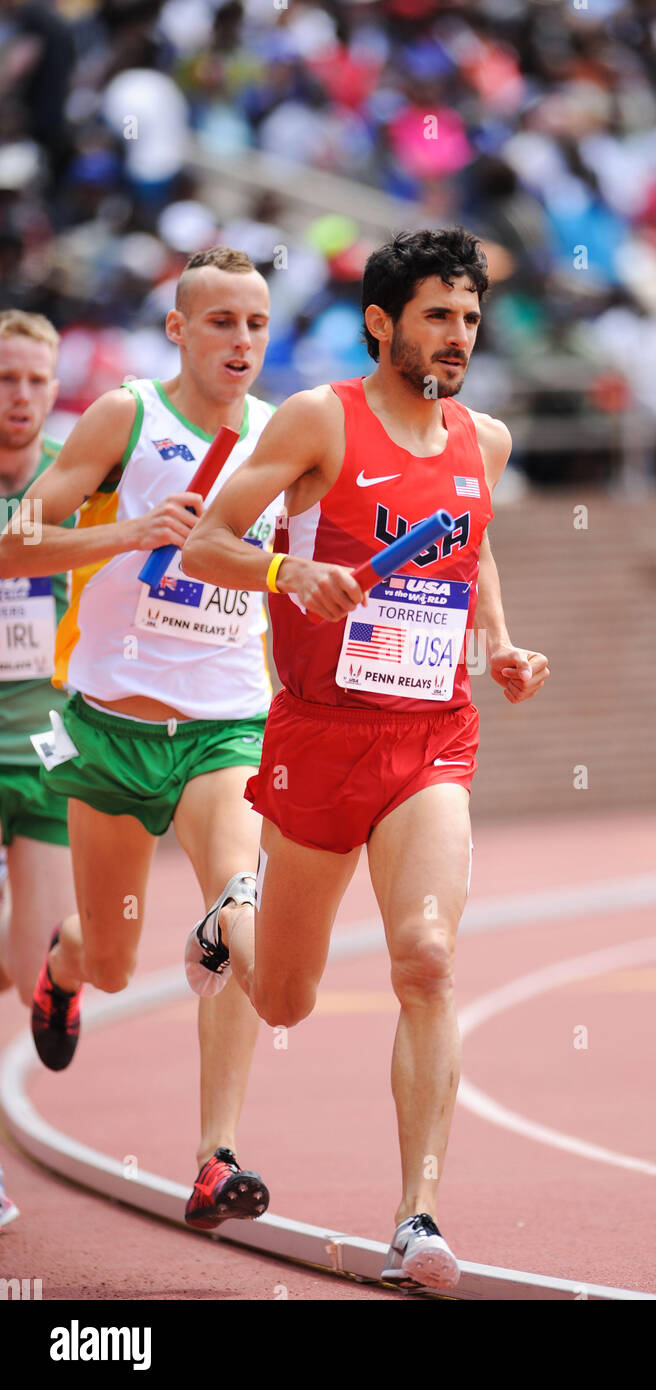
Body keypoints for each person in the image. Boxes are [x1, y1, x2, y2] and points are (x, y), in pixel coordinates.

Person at [181, 227, 550, 1288]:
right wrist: (284, 579)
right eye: (438, 314)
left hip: (430, 738)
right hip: (317, 737)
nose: (458, 336)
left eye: (471, 318)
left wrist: (496, 648)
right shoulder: (318, 420)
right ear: (382, 321)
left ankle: (417, 1217)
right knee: (285, 998)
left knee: (426, 957)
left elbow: (467, 545)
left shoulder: (485, 439)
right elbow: (206, 541)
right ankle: (228, 921)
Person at [0, 246, 282, 1230]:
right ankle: (64, 969)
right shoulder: (127, 417)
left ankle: (216, 1157)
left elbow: (297, 569)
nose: (240, 340)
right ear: (178, 329)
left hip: (225, 727)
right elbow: (13, 544)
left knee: (235, 913)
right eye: (219, 322)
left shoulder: (285, 436)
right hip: (110, 731)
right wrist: (127, 534)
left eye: (255, 322)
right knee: (114, 959)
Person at [0, 309, 76, 1229]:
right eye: (3, 380)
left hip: (51, 748)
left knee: (36, 966)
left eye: (34, 382)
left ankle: (57, 987)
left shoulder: (75, 476)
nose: (19, 398)